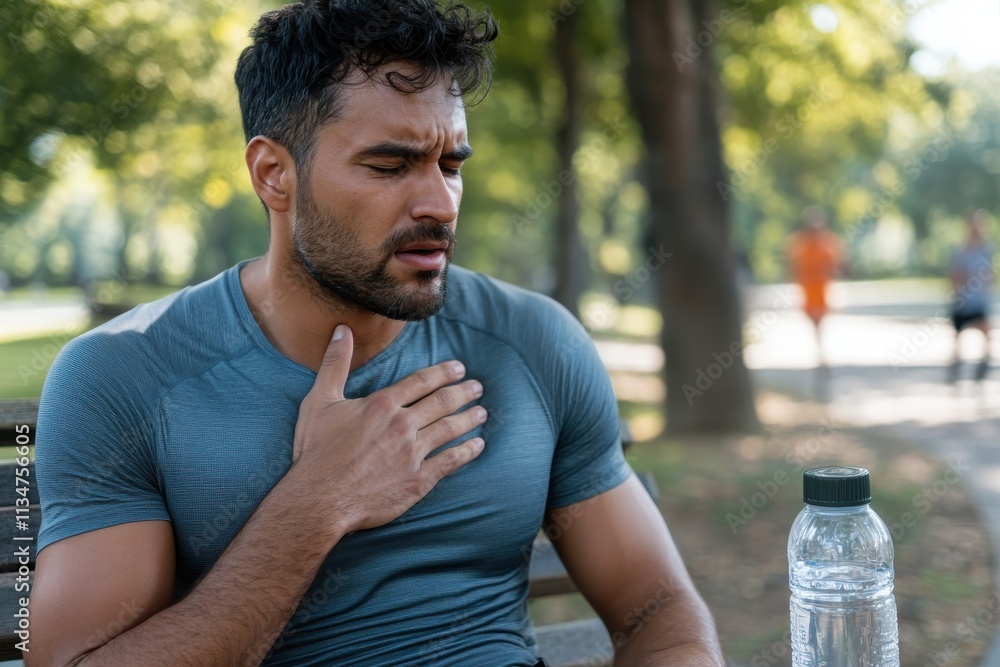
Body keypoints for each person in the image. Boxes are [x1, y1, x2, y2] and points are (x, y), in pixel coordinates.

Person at [29, 2, 724, 666]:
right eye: (390, 166)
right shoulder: (122, 376)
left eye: (451, 165)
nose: (438, 204)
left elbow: (657, 606)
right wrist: (314, 506)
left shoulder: (533, 342)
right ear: (274, 175)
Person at [786, 206, 844, 371]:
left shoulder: (828, 242)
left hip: (821, 290)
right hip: (808, 290)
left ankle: (820, 352)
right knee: (814, 320)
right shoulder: (799, 243)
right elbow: (794, 267)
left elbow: (835, 265)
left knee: (819, 320)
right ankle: (820, 351)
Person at [947, 208, 994, 383]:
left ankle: (982, 367)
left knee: (986, 334)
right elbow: (953, 276)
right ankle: (956, 366)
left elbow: (990, 277)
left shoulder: (986, 251)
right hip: (962, 301)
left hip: (979, 302)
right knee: (957, 337)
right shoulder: (960, 251)